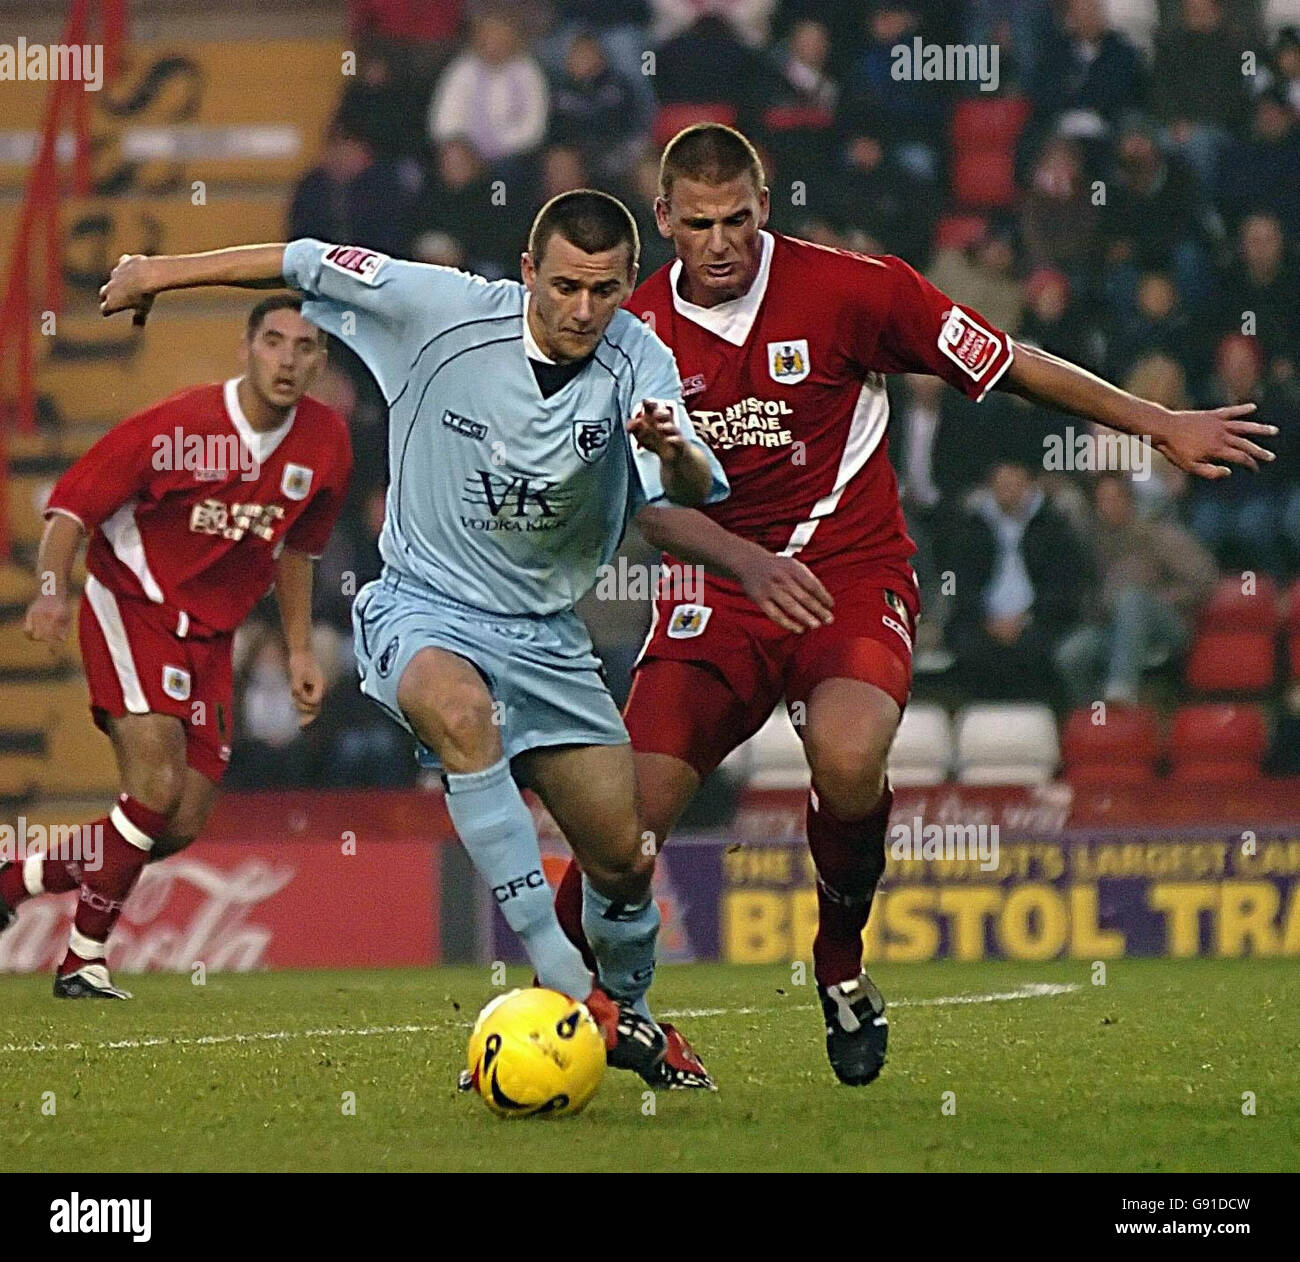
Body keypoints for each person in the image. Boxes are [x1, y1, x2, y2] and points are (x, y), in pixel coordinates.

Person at [551, 123, 1276, 1086]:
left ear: (764, 209)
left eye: (737, 219)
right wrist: (749, 568)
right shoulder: (633, 333)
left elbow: (1009, 359)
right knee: (622, 834)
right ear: (665, 222)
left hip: (852, 576)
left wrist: (1157, 423)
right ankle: (558, 1009)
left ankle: (839, 961)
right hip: (717, 592)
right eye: (698, 224)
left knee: (850, 761)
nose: (720, 242)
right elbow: (654, 511)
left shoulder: (855, 290)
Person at [95, 190, 728, 1089]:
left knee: (623, 861)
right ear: (526, 274)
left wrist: (673, 450)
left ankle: (635, 1019)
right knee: (460, 711)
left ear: (630, 284)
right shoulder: (440, 309)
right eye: (564, 287)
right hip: (422, 606)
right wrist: (163, 272)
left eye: (605, 290)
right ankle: (564, 987)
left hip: (548, 636)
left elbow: (698, 489)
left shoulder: (642, 359)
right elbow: (303, 260)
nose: (584, 310)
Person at [1, 298, 352, 998]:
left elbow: (299, 551)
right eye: (274, 342)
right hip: (133, 605)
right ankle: (83, 959)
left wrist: (299, 651)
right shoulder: (181, 425)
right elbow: (73, 507)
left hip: (213, 638)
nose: (287, 359)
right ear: (246, 347)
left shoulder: (327, 443)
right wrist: (49, 591)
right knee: (154, 788)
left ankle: (14, 882)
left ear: (319, 361)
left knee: (177, 823)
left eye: (304, 347)